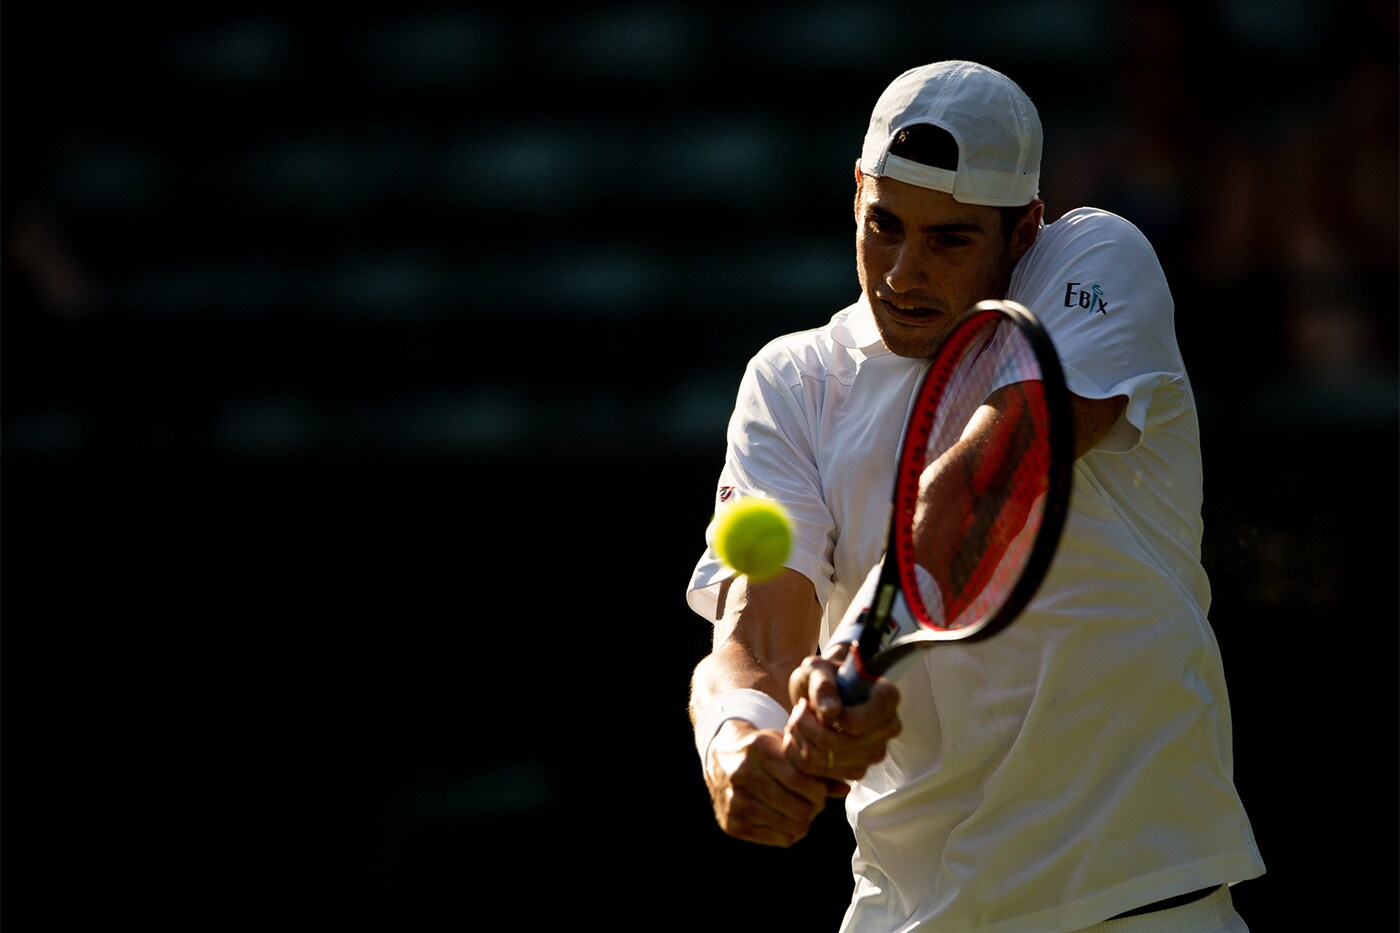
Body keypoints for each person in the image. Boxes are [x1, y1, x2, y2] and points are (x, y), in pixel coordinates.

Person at [685, 60, 1265, 932]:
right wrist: (741, 738)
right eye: (883, 225)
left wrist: (847, 671)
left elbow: (977, 499)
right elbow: (755, 632)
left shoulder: (1097, 261)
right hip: (906, 915)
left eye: (950, 239)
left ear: (1025, 228)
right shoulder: (789, 381)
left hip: (1140, 900)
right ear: (854, 195)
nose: (903, 272)